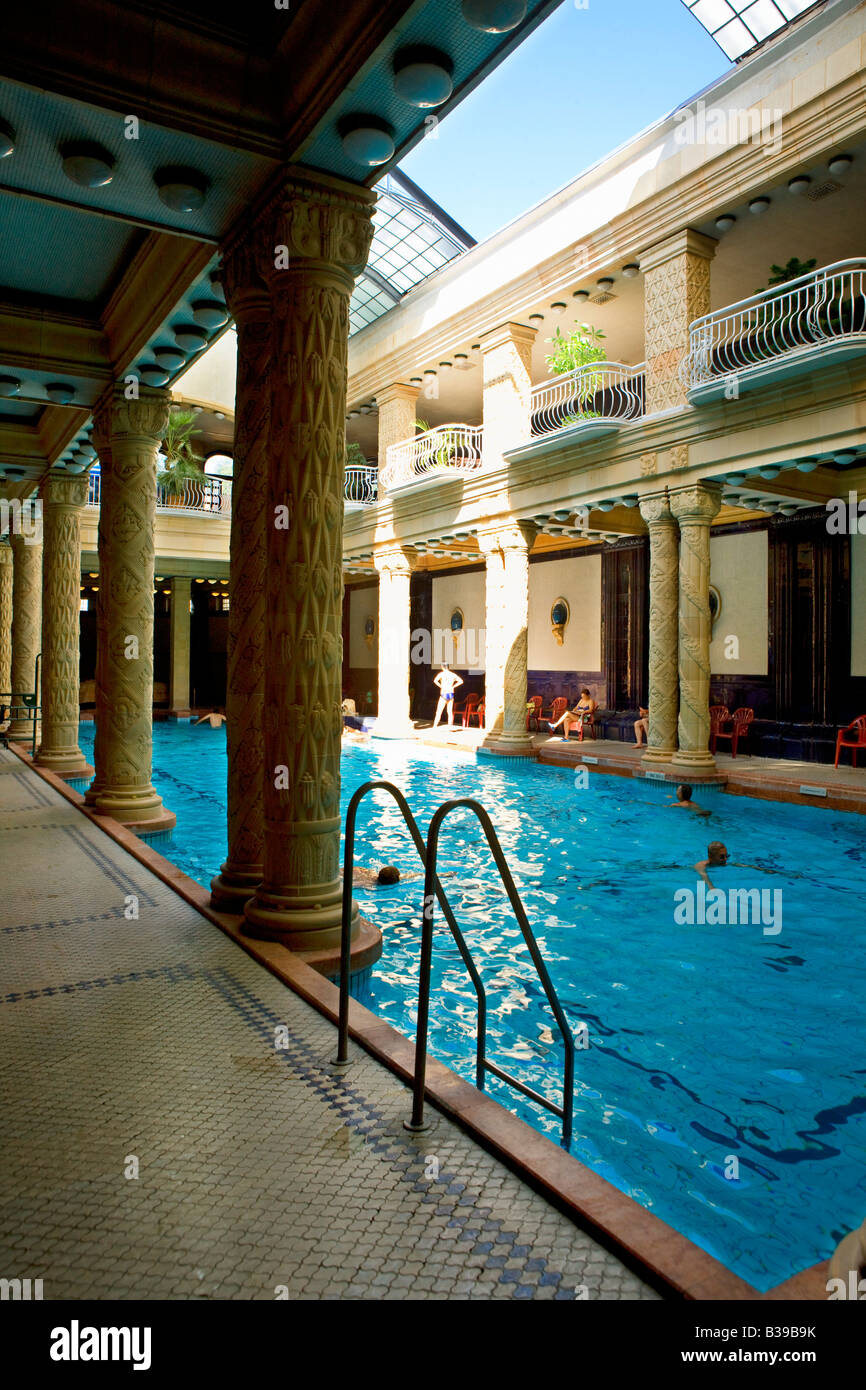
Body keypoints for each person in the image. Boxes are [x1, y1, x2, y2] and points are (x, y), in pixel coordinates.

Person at [694, 841, 781, 890]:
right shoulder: (701, 866)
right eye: (721, 857)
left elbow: (746, 866)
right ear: (711, 857)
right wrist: (711, 887)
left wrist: (763, 870)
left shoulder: (724, 863)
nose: (725, 859)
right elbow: (704, 876)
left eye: (726, 856)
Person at [432, 663, 464, 729]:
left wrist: (441, 686)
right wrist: (453, 686)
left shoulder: (441, 674)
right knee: (449, 711)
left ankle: (435, 726)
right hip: (450, 693)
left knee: (439, 711)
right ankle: (450, 726)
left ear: (442, 667)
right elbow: (461, 681)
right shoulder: (453, 674)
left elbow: (435, 681)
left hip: (444, 693)